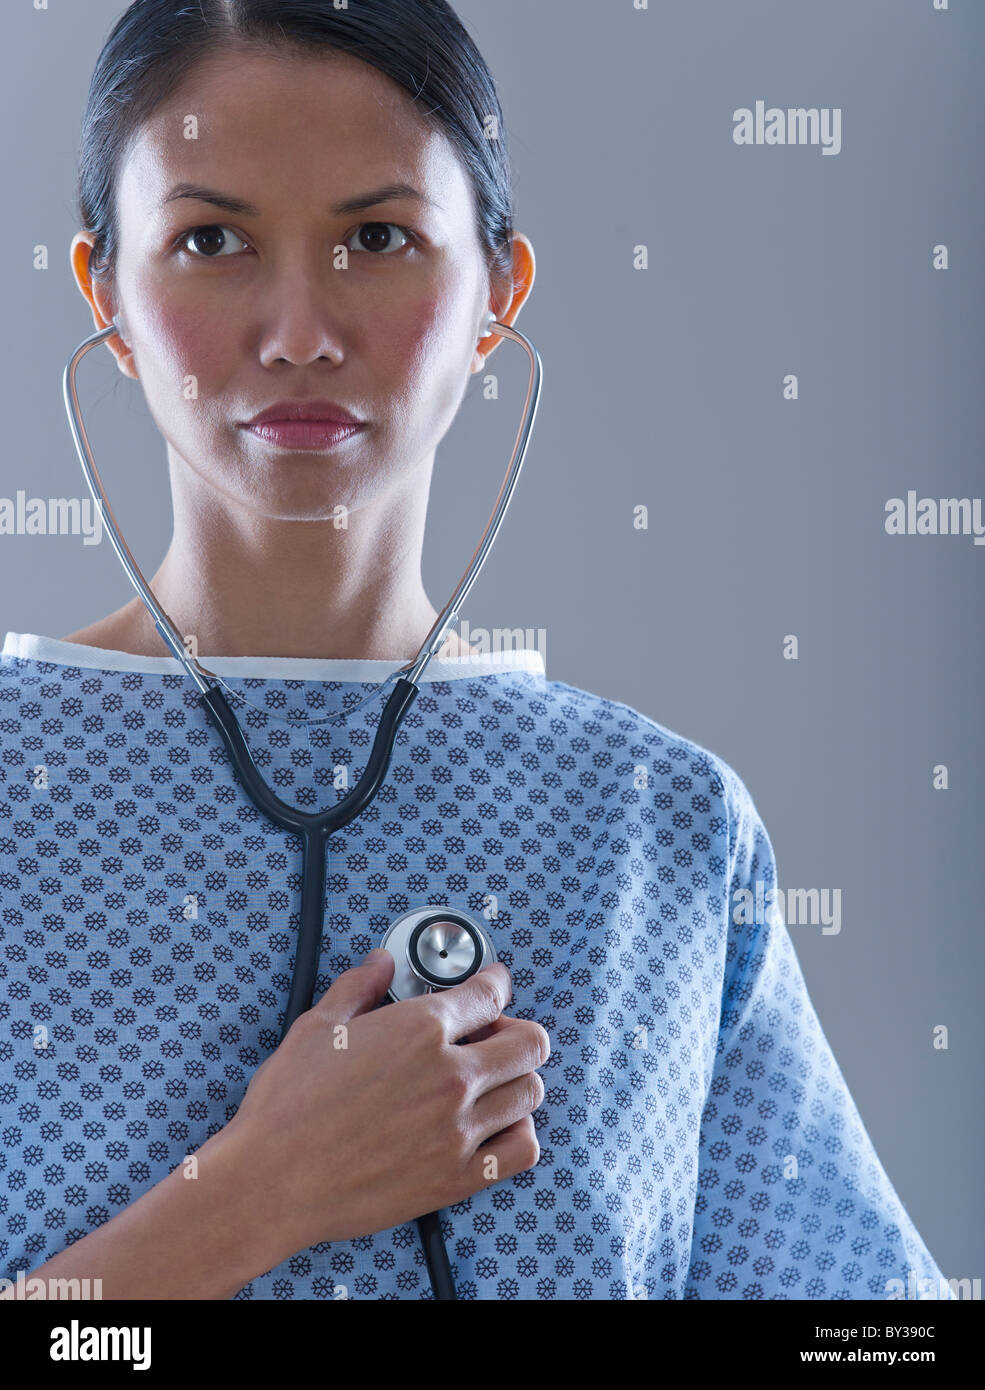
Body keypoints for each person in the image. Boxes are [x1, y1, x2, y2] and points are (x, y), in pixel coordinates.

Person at [0, 0, 951, 1301]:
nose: (297, 332)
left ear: (496, 293)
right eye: (211, 239)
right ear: (107, 293)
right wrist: (263, 1192)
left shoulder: (657, 828)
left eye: (377, 237)